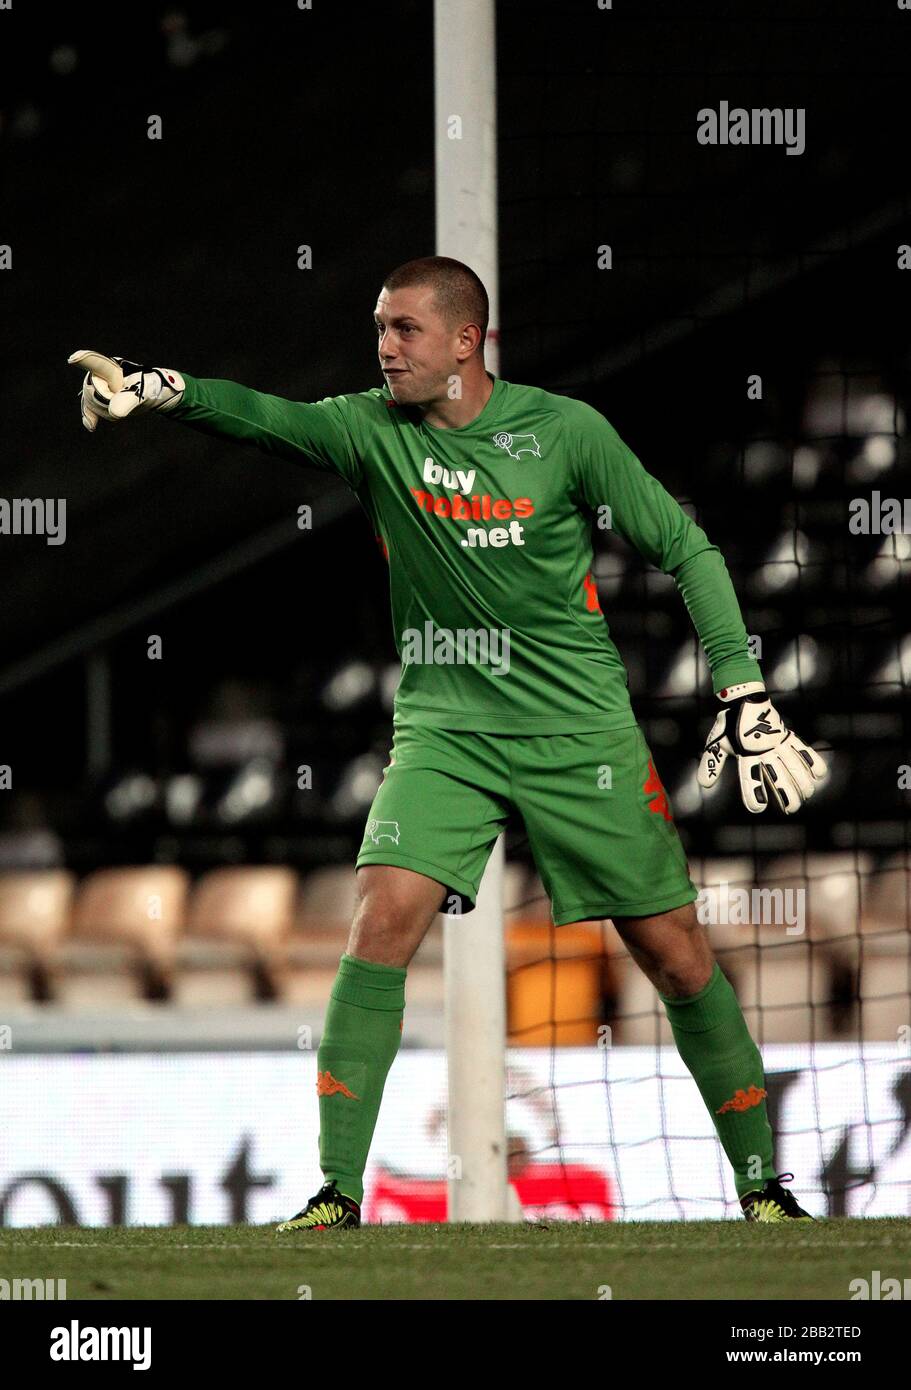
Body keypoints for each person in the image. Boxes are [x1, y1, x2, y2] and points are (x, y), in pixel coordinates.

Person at [69, 255, 828, 1228]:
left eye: (404, 331)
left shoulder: (565, 432)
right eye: (379, 330)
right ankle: (336, 1194)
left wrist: (738, 682)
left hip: (575, 727)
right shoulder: (369, 431)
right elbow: (267, 417)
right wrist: (161, 389)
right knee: (380, 917)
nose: (384, 349)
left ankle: (761, 1188)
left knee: (674, 953)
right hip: (444, 727)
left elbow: (683, 547)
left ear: (466, 341)